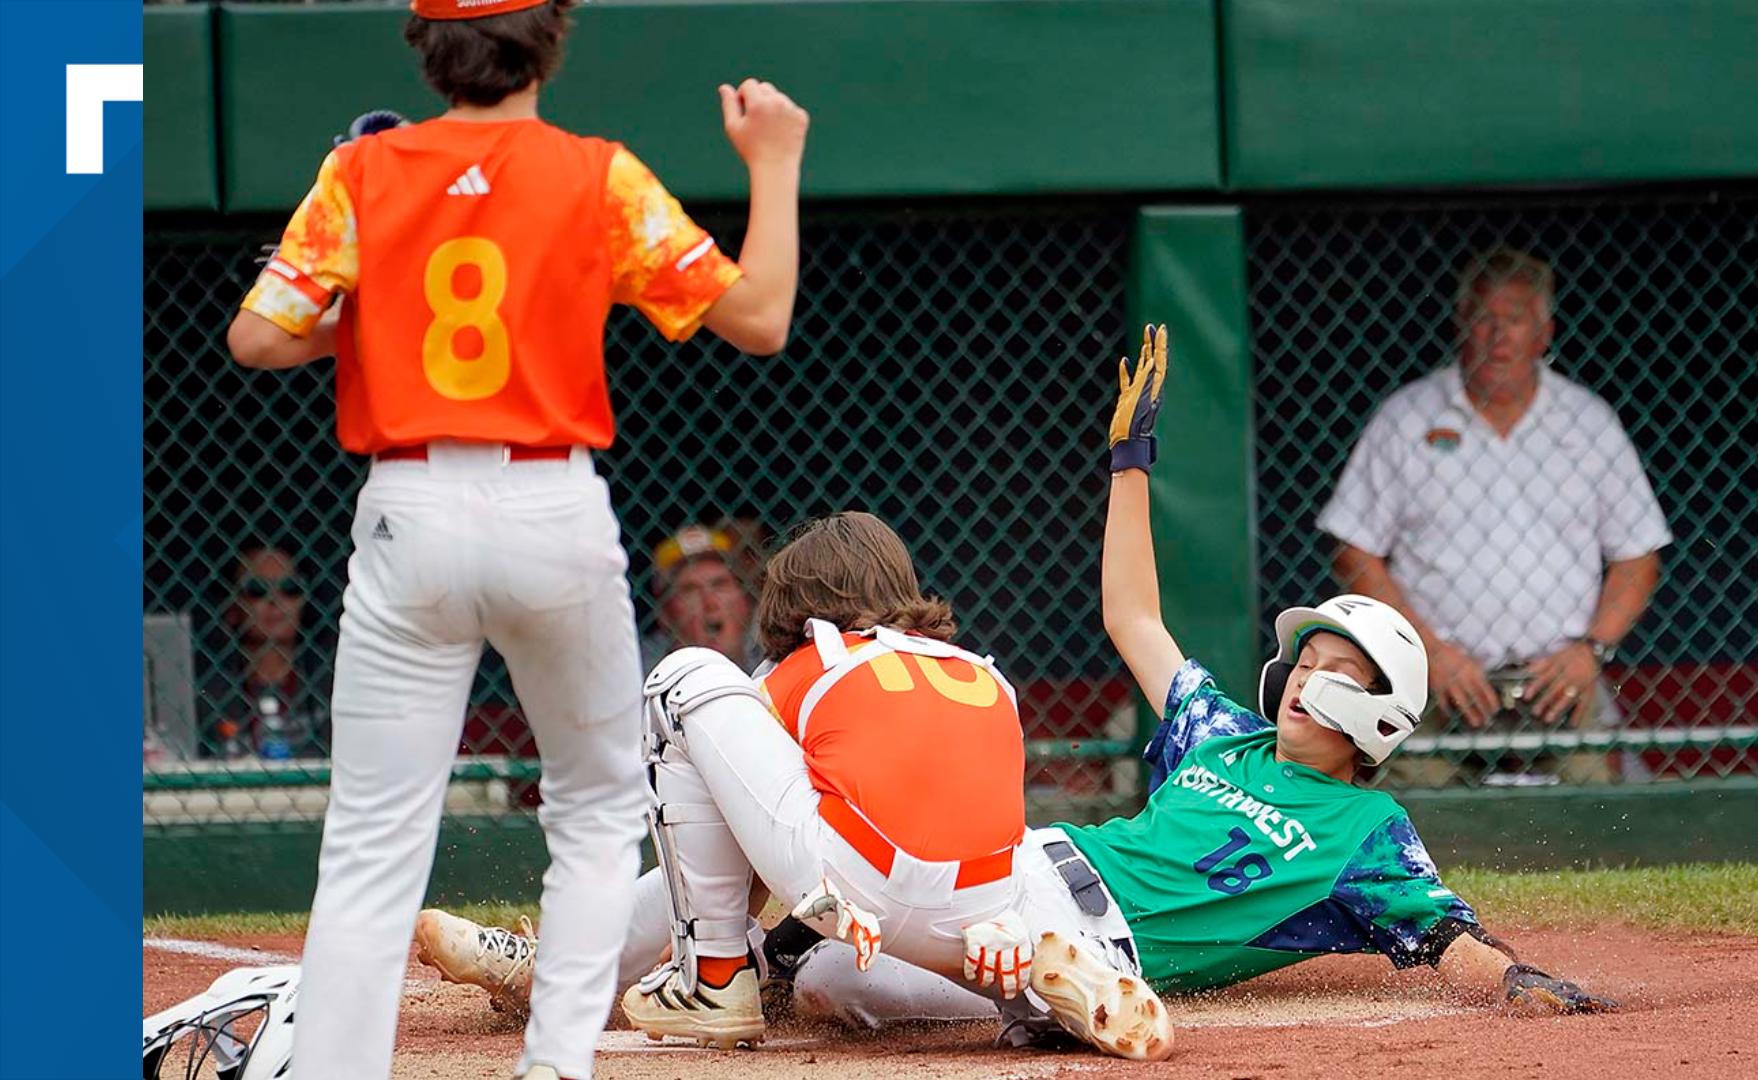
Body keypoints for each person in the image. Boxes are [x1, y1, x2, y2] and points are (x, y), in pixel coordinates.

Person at [413, 331, 1615, 1061]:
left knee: (829, 975)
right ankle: (563, 961)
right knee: (788, 879)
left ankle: (1022, 987)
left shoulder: (1369, 835)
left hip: (1108, 937)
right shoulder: (1224, 739)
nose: (1304, 671)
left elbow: (1444, 937)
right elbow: (1133, 620)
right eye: (1305, 656)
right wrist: (1128, 470)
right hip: (1023, 871)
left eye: (1335, 668)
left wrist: (1524, 985)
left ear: (1382, 714)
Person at [223, 0, 809, 1076]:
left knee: (370, 842)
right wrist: (773, 159)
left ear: (427, 47)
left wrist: (377, 305)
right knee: (592, 809)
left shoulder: (361, 174)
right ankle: (553, 1066)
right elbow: (762, 316)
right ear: (550, 39)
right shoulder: (598, 175)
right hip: (550, 506)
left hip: (407, 508)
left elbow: (259, 337)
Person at [415, 511, 1063, 1048]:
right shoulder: (982, 673)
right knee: (823, 980)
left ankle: (686, 973)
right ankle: (1044, 988)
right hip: (989, 916)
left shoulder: (823, 663)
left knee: (686, 688)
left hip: (859, 892)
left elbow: (735, 826)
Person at [1318, 247, 1672, 785]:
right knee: (1412, 807)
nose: (1498, 334)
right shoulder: (1408, 416)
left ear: (1544, 332)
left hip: (1558, 678)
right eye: (1485, 317)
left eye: (1515, 319)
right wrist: (1428, 652)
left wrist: (1590, 652)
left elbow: (1638, 554)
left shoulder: (1587, 422)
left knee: (1597, 808)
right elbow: (1352, 546)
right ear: (1462, 324)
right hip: (1433, 677)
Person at [200, 543, 330, 760]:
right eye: (257, 589)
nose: (274, 600)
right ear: (232, 606)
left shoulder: (332, 683)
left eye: (290, 588)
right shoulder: (207, 696)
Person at [640, 523, 763, 676]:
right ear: (664, 614)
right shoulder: (639, 675)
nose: (710, 603)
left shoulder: (773, 661)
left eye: (720, 585)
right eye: (690, 590)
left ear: (745, 601)